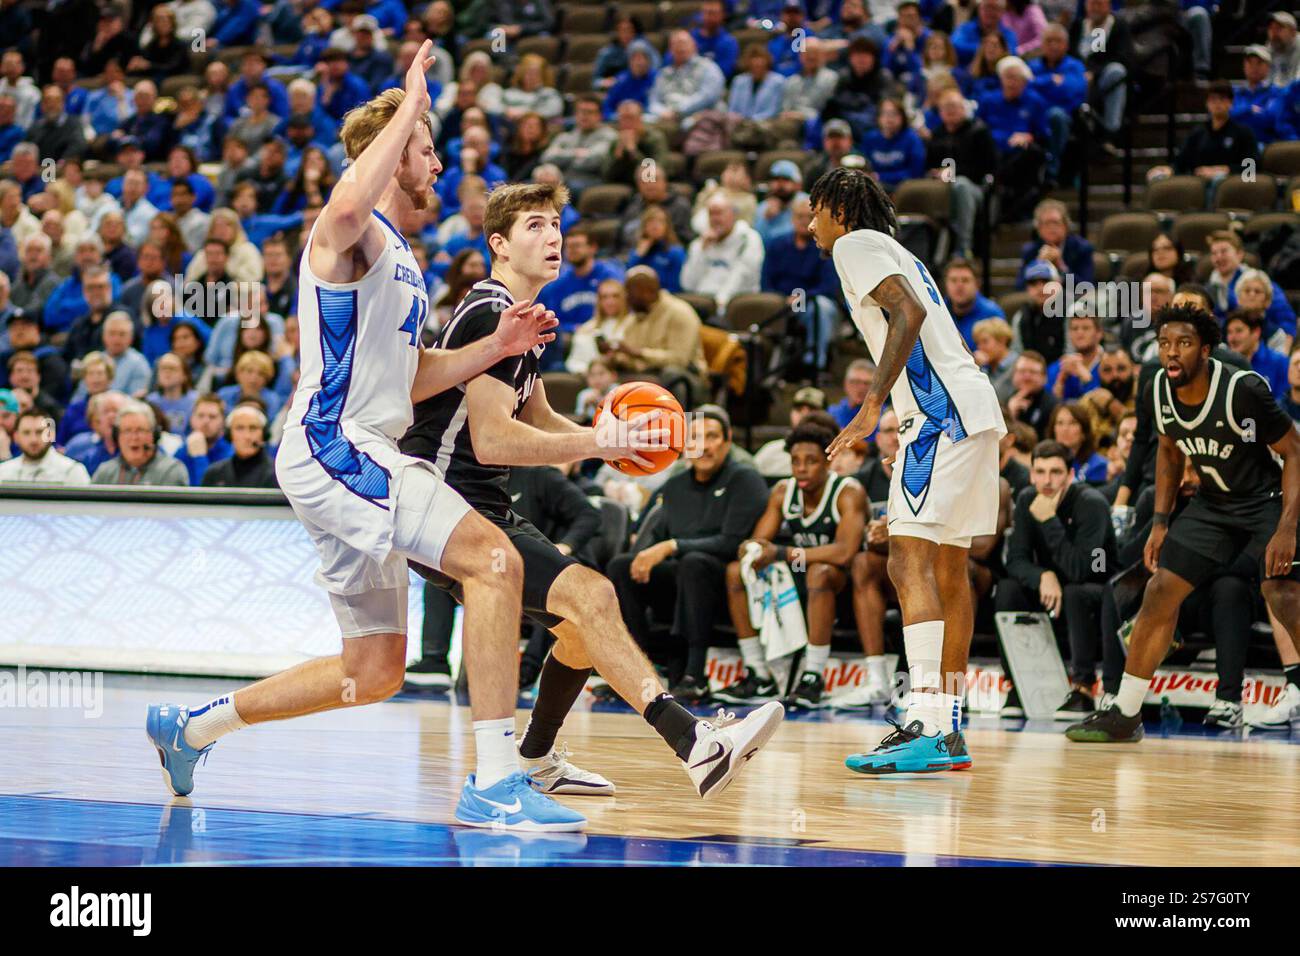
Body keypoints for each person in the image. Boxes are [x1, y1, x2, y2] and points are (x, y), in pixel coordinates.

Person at [142, 52, 591, 832]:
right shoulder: (345, 232)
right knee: (495, 561)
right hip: (336, 445)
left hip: (357, 450)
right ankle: (494, 779)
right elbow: (350, 203)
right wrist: (408, 103)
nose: (438, 163)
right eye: (426, 148)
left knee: (375, 669)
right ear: (387, 151)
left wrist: (494, 346)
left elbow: (409, 378)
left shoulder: (400, 256)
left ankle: (192, 729)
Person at [402, 181, 784, 802]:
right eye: (534, 225)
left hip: (483, 505)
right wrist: (596, 445)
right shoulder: (489, 312)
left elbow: (541, 417)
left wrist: (614, 435)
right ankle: (697, 745)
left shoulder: (525, 321)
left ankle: (536, 758)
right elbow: (496, 440)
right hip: (443, 505)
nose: (553, 235)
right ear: (498, 244)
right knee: (593, 594)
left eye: (556, 223)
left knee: (579, 629)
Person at [809, 166, 1006, 774]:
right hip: (974, 408)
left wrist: (873, 404)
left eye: (815, 210)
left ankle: (923, 716)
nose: (810, 223)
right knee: (950, 567)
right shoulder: (893, 248)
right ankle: (946, 729)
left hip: (939, 415)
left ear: (839, 209)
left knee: (905, 558)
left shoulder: (854, 244)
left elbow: (907, 314)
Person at [1067, 304, 1300, 743]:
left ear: (1207, 350)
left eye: (1184, 343)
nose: (1172, 352)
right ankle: (1126, 713)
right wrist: (1159, 522)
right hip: (1213, 504)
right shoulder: (1156, 386)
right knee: (1159, 591)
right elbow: (1170, 451)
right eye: (1165, 343)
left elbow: (1294, 450)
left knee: (1279, 590)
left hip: (1265, 500)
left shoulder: (1243, 390)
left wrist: (1287, 526)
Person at [607, 407, 771, 698]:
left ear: (728, 441)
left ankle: (695, 675)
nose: (704, 445)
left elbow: (731, 543)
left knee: (694, 563)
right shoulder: (674, 485)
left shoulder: (746, 480)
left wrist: (673, 546)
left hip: (729, 586)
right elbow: (656, 535)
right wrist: (644, 555)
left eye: (712, 437)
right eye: (695, 438)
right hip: (681, 581)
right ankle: (639, 669)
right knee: (622, 566)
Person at [716, 420, 868, 708]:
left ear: (828, 460)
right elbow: (759, 541)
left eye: (810, 461)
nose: (801, 468)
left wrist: (784, 553)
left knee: (819, 572)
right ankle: (758, 674)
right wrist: (751, 550)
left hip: (842, 580)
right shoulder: (784, 492)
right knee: (736, 572)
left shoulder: (848, 492)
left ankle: (813, 676)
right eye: (795, 461)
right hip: (799, 570)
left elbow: (844, 552)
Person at [999, 439, 1116, 718]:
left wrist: (1050, 520)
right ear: (1031, 474)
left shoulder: (1092, 504)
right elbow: (1015, 559)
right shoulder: (1028, 498)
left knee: (1076, 590)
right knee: (1007, 589)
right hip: (1053, 588)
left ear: (1071, 475)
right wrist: (1043, 575)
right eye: (1040, 472)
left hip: (1100, 587)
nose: (1047, 481)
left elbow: (1084, 570)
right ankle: (1017, 684)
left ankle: (1084, 689)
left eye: (1055, 472)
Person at [90, 399, 189, 486]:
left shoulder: (171, 470)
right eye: (127, 431)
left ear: (154, 435)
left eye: (140, 430)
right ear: (117, 437)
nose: (134, 437)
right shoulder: (105, 472)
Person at [0, 407, 90, 483]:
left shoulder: (72, 471)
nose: (33, 440)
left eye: (40, 432)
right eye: (26, 433)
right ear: (16, 437)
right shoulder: (3, 472)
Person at [201, 402, 277, 488]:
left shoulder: (277, 474)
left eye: (253, 428)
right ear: (229, 435)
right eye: (240, 428)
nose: (247, 436)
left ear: (264, 434)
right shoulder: (213, 474)